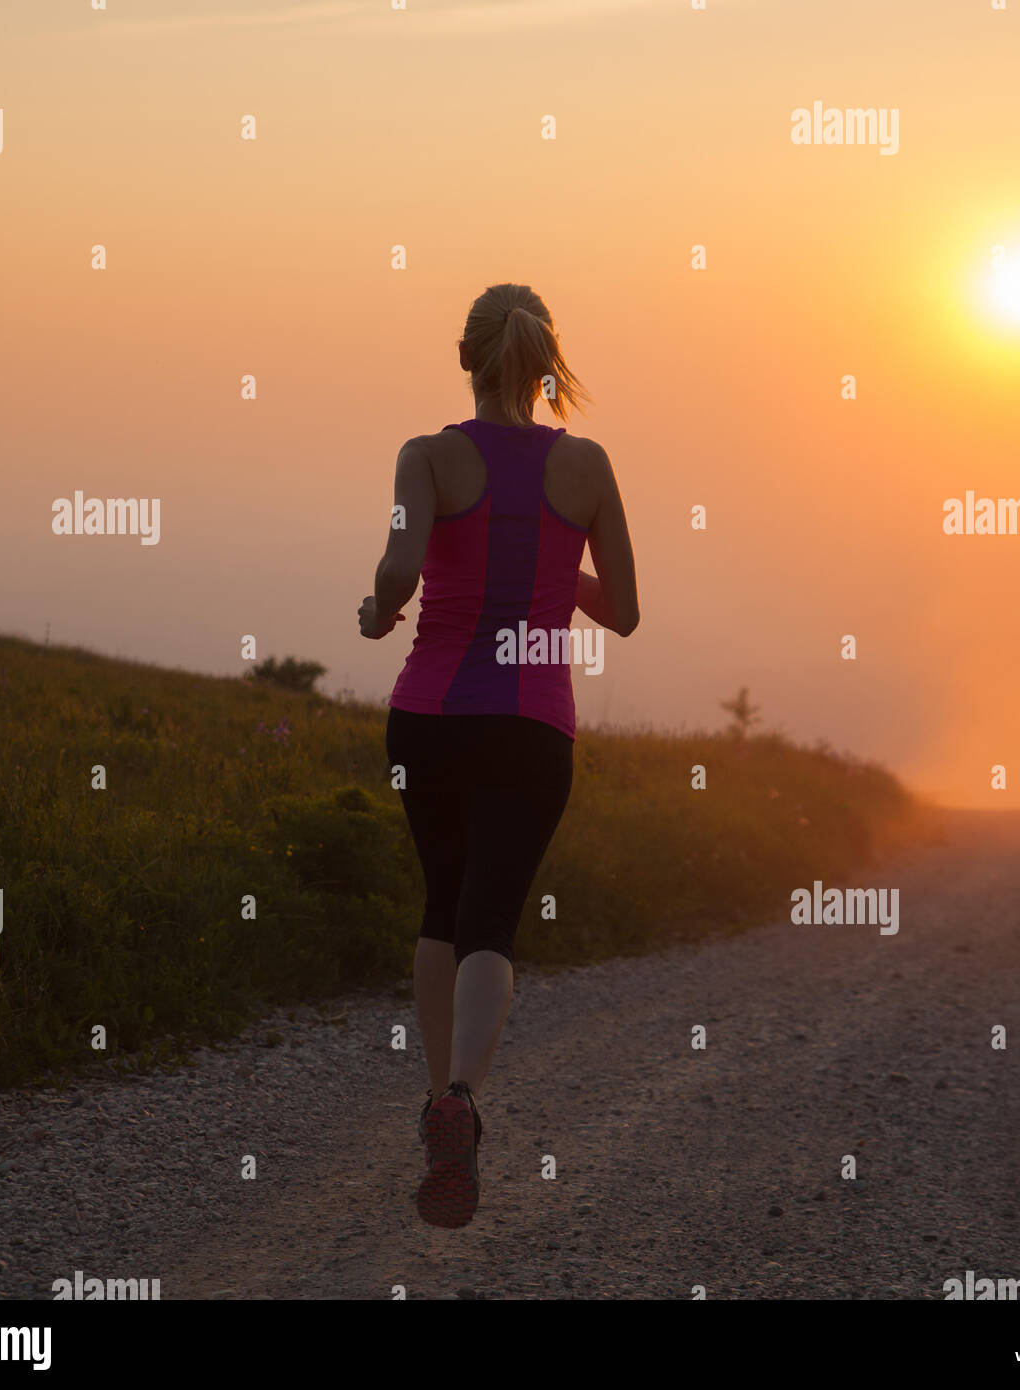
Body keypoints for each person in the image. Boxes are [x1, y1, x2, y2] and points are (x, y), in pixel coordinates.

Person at [358, 283, 639, 1228]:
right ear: (545, 367)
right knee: (494, 921)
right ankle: (464, 1100)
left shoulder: (427, 457)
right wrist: (558, 570)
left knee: (442, 902)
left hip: (428, 714)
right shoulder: (589, 466)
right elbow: (627, 613)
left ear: (466, 358)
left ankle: (443, 1097)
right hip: (530, 724)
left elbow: (400, 565)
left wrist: (378, 610)